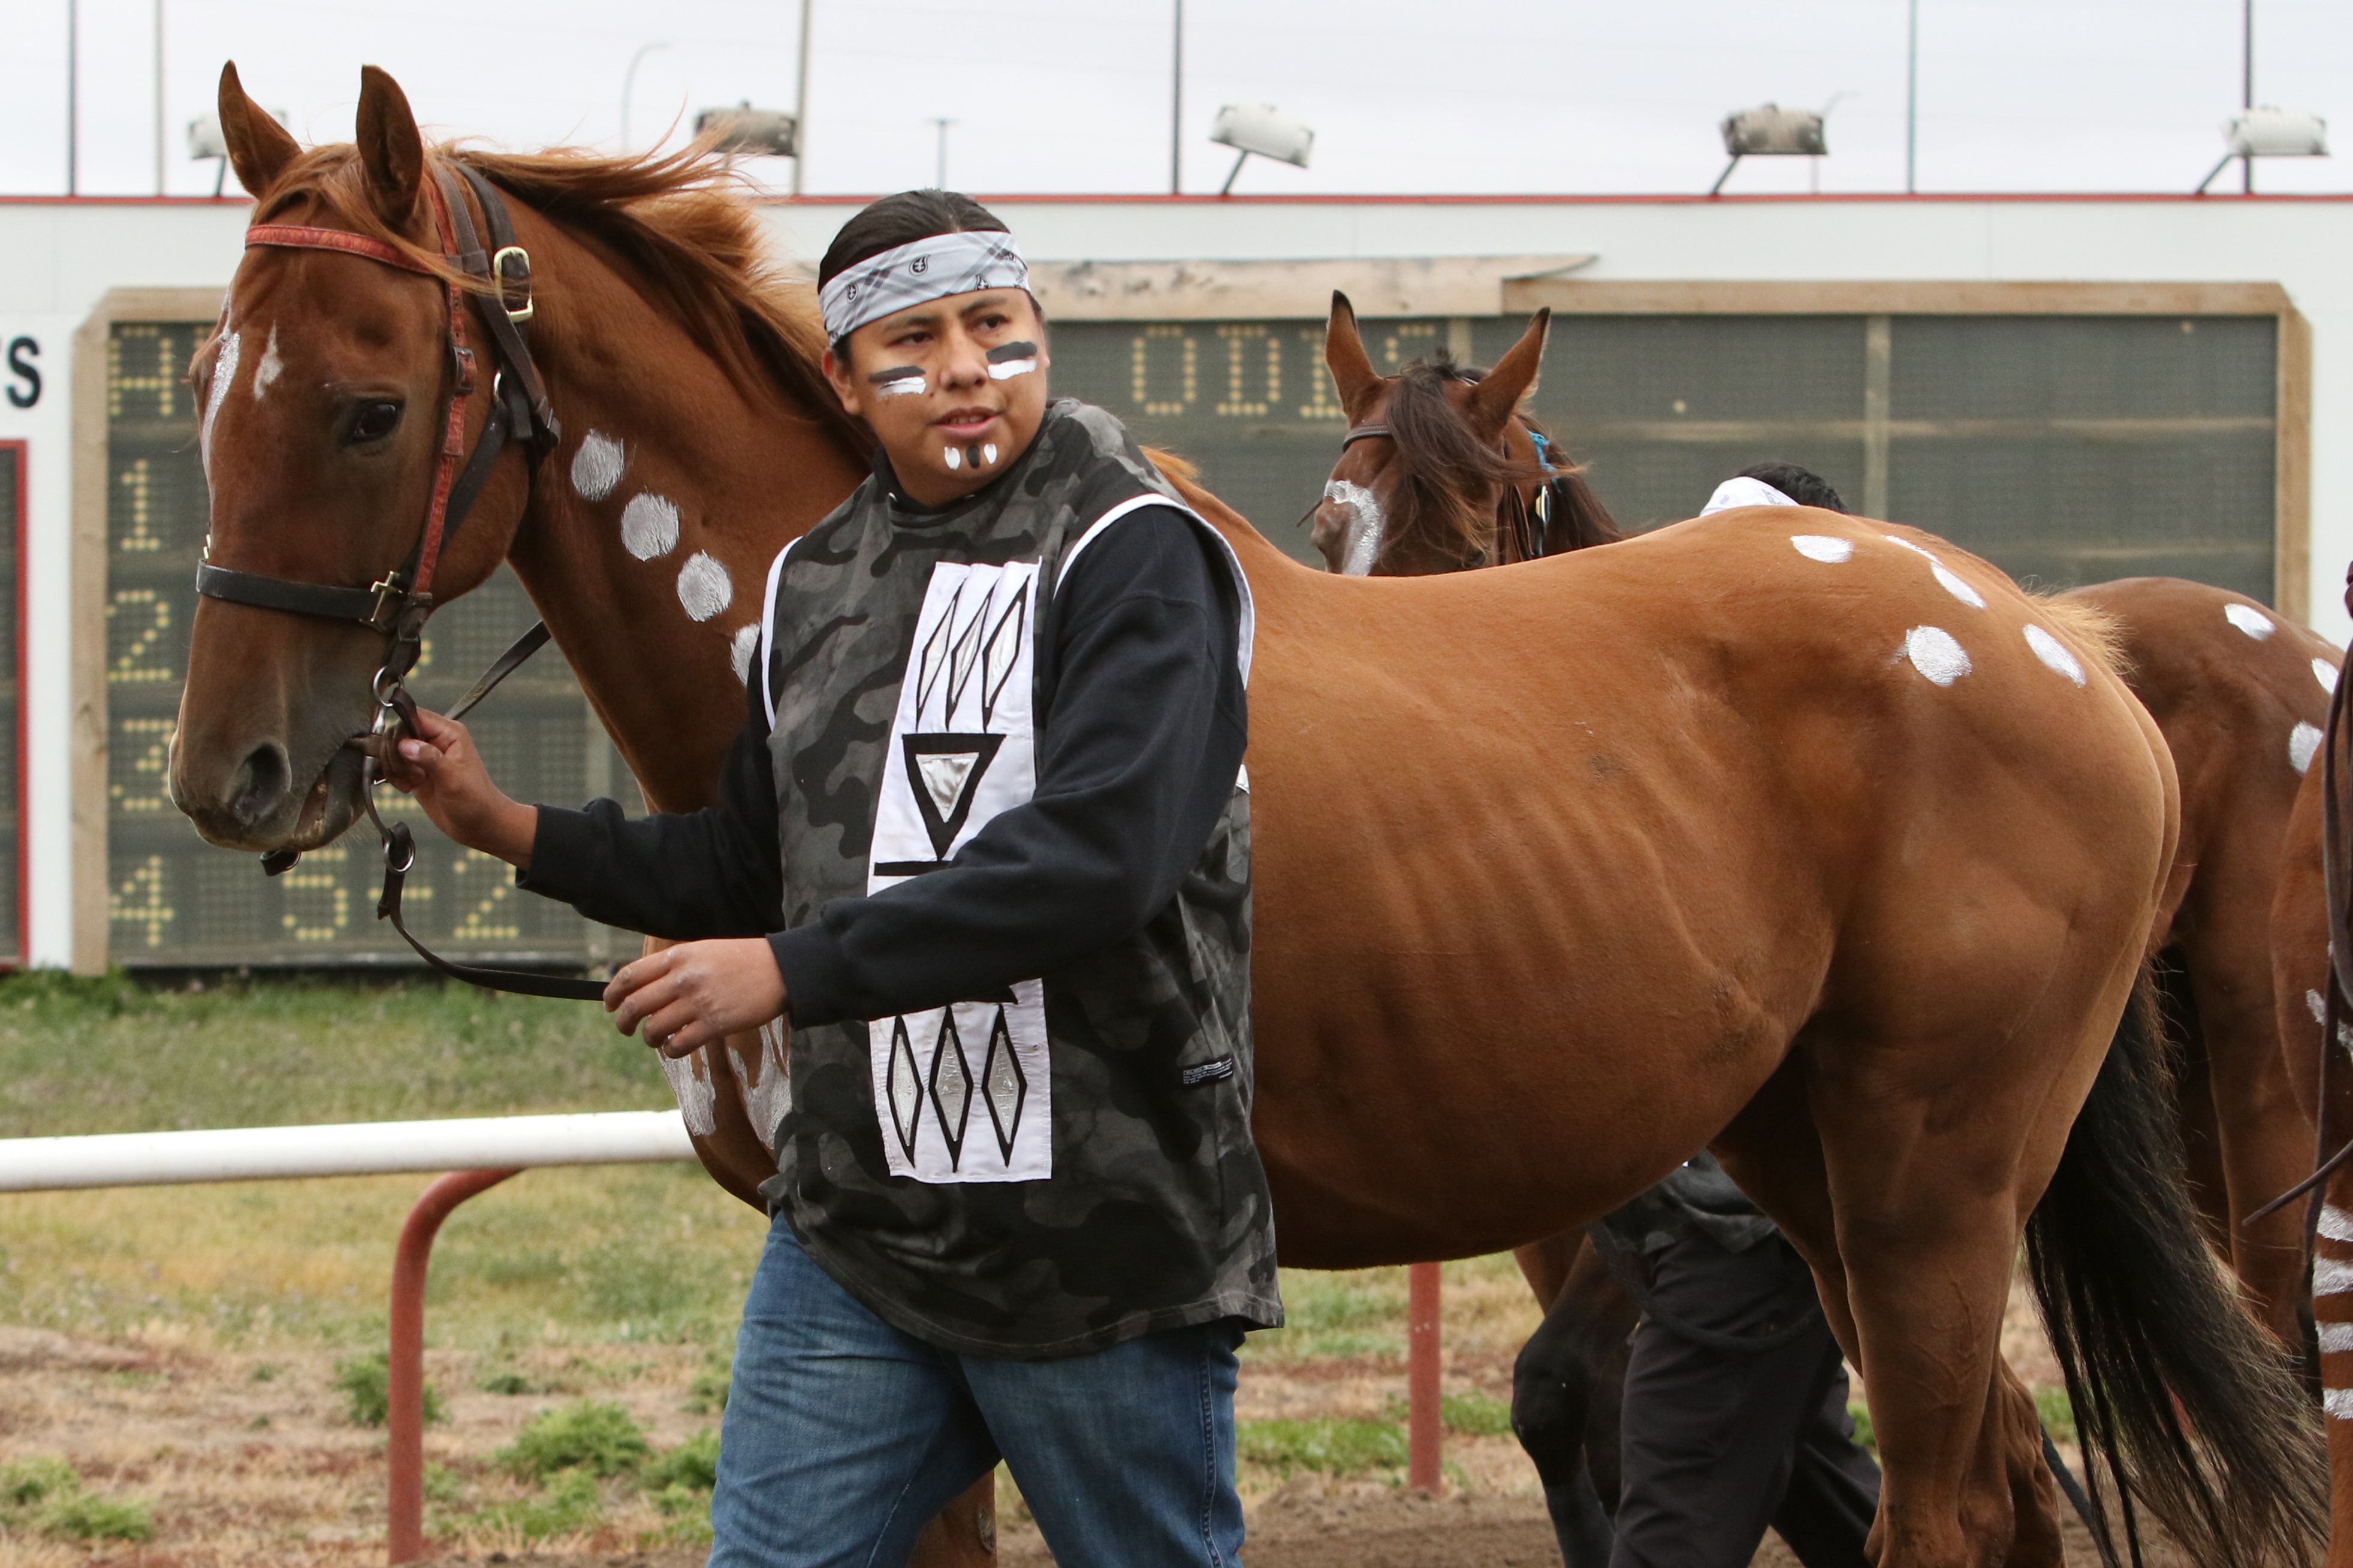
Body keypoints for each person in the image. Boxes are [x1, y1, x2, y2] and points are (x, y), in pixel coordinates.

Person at [384, 189, 1278, 1568]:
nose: (967, 366)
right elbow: (751, 860)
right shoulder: (814, 579)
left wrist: (786, 970)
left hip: (1104, 1251)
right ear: (844, 384)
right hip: (860, 1239)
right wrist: (509, 824)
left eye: (996, 325)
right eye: (913, 341)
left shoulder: (1137, 555)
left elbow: (1098, 862)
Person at [1590, 460, 1880, 1568]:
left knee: (1669, 1525)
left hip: (1739, 1236)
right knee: (1810, 1483)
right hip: (1704, 1230)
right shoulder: (1678, 757)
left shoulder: (1817, 790)